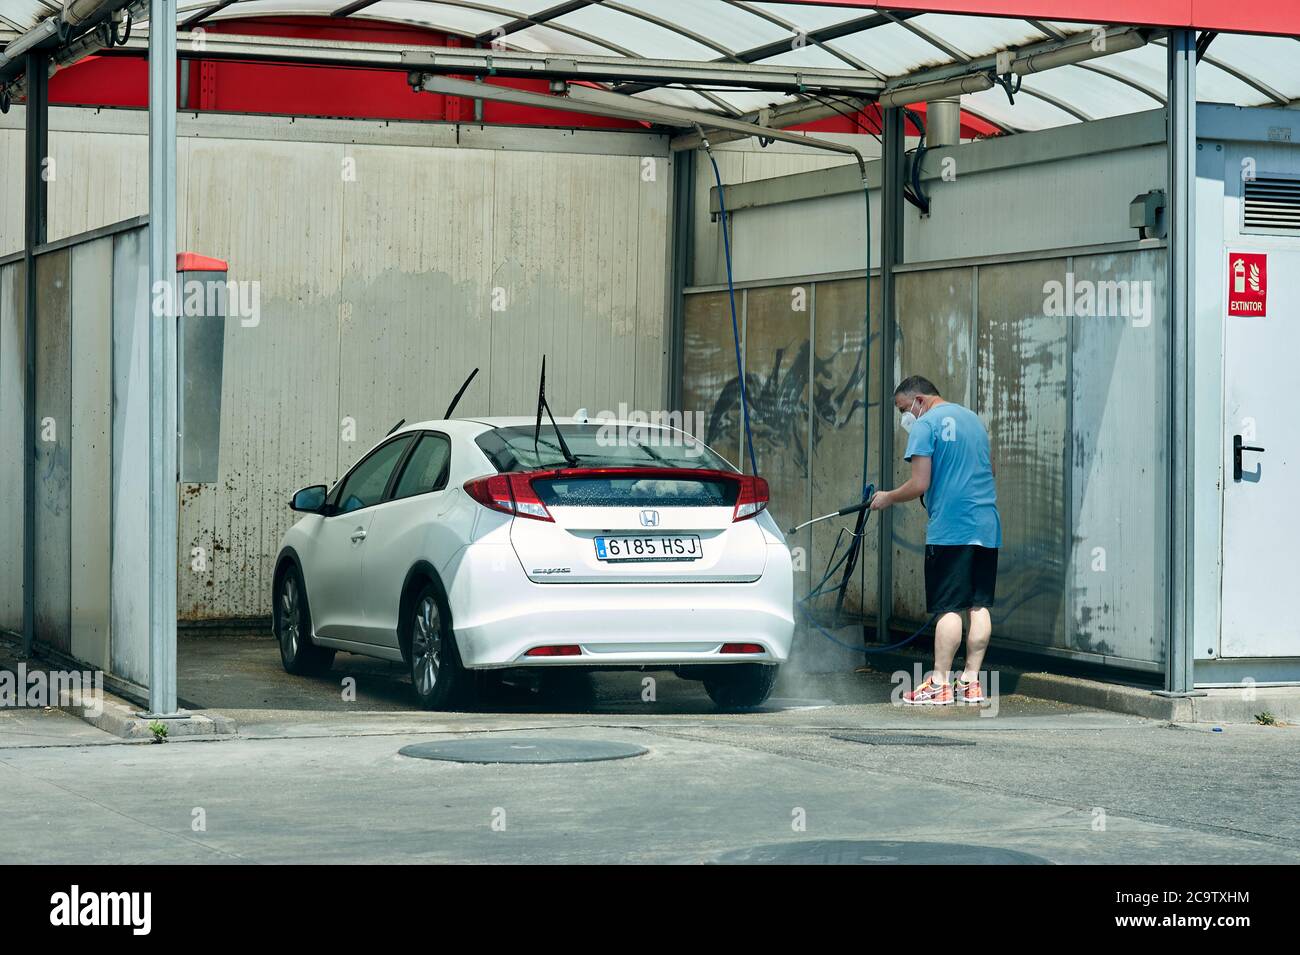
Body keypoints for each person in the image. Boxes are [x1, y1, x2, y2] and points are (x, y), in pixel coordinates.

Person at [869, 375, 1001, 705]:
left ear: (919, 400)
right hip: (986, 525)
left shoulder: (925, 425)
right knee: (979, 605)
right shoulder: (973, 420)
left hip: (951, 529)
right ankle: (971, 681)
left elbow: (919, 484)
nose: (905, 416)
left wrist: (887, 497)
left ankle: (940, 682)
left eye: (903, 408)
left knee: (949, 607)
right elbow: (990, 471)